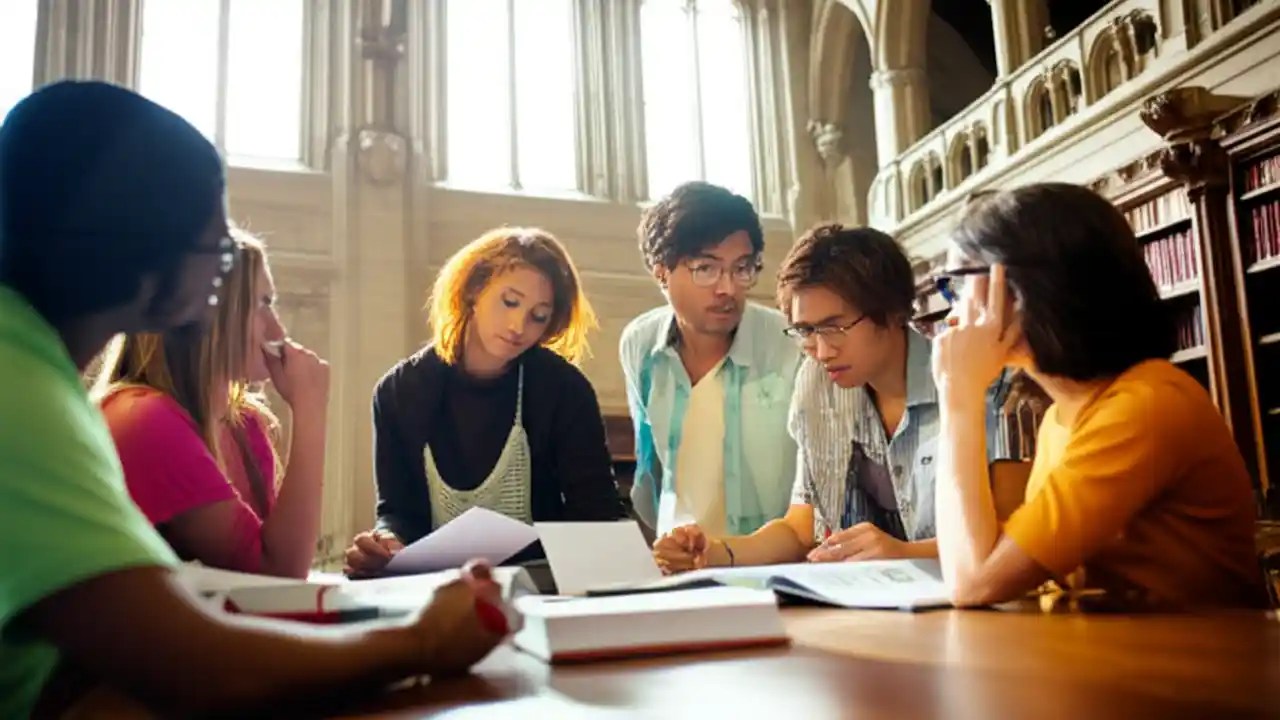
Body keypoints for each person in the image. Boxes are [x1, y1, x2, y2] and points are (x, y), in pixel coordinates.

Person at [0, 82, 507, 718]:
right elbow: (190, 661)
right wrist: (420, 641)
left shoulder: (35, 364)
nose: (223, 269)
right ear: (141, 248)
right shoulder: (21, 391)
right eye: (210, 243)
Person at [931, 183, 1267, 609]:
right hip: (1108, 663)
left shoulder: (1146, 405)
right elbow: (999, 556)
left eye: (959, 283)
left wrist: (958, 397)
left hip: (1199, 669)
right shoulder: (1060, 417)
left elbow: (974, 583)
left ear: (1023, 287)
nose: (952, 311)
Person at [652, 224, 1004, 572]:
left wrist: (905, 552)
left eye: (835, 327)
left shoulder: (976, 382)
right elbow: (799, 528)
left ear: (894, 311)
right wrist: (714, 552)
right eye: (806, 331)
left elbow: (1007, 537)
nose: (821, 351)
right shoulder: (817, 384)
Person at [343, 228, 624, 577]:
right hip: (442, 596)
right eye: (510, 302)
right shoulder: (399, 392)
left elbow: (597, 511)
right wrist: (384, 541)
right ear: (474, 289)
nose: (518, 326)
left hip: (546, 588)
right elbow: (398, 511)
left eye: (538, 316)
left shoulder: (564, 390)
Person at [92, 230, 329, 578]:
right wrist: (311, 411)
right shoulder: (145, 419)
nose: (278, 330)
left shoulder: (245, 423)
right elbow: (278, 571)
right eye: (262, 304)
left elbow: (276, 568)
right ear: (212, 317)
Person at [620, 182, 801, 542]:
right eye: (706, 268)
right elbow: (650, 472)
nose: (728, 288)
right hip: (681, 566)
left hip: (776, 566)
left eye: (742, 268)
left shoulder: (791, 344)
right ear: (661, 273)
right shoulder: (640, 345)